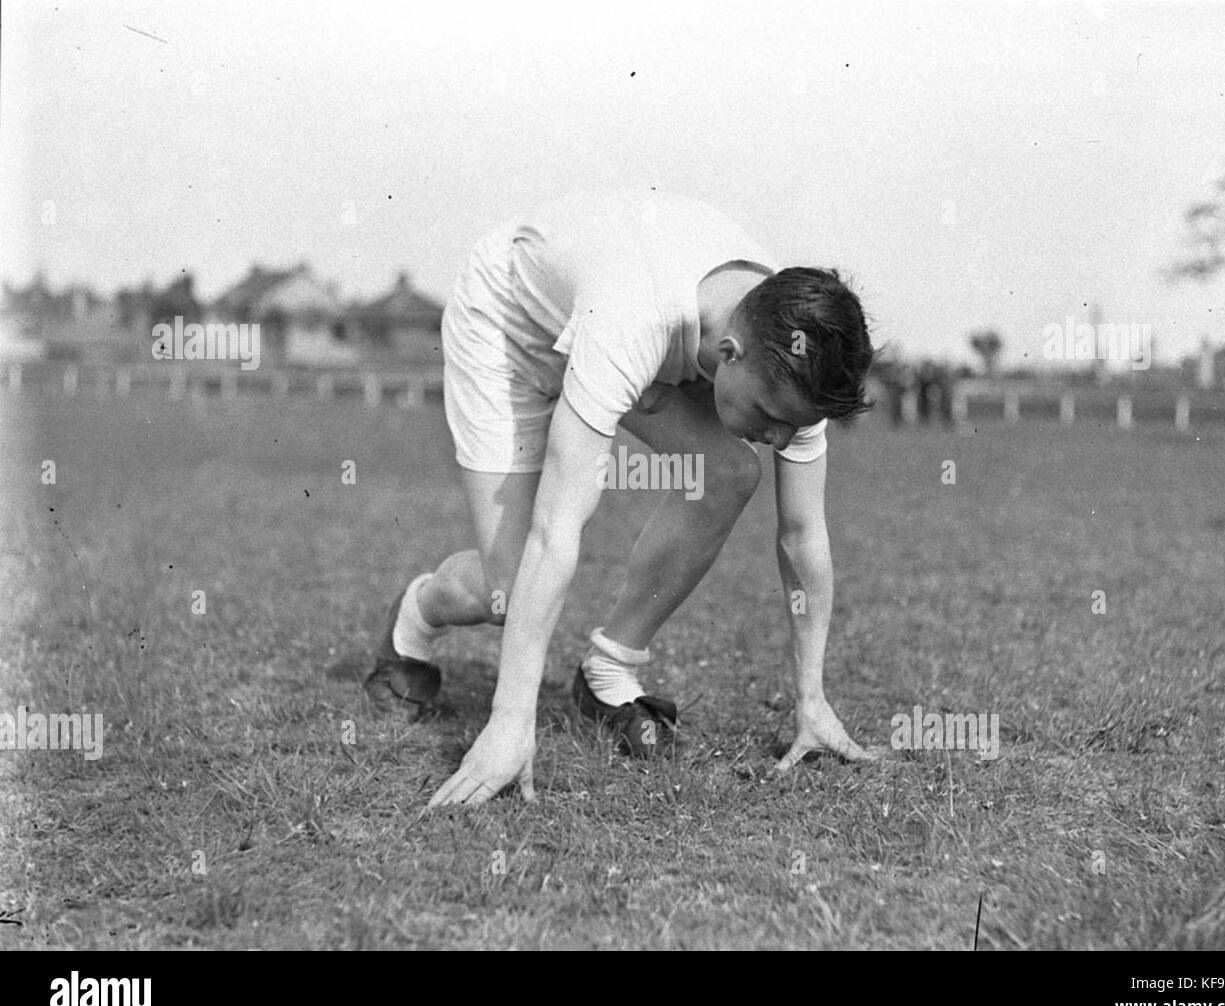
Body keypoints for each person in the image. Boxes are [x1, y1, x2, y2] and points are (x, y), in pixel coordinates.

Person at [361, 189, 878, 805]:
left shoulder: (795, 353)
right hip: (510, 326)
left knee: (730, 473)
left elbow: (802, 535)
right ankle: (415, 618)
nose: (781, 439)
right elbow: (558, 530)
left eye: (794, 425)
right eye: (771, 417)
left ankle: (610, 669)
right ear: (727, 355)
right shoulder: (637, 316)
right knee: (506, 584)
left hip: (622, 332)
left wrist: (812, 699)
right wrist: (509, 722)